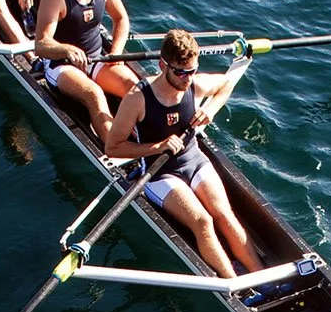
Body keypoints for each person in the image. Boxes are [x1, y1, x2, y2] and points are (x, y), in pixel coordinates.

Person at [105, 29, 264, 279]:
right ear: (162, 65)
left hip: (195, 160)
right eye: (180, 72)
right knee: (203, 222)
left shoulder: (195, 84)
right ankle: (236, 286)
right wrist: (157, 147)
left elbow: (226, 84)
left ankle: (262, 279)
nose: (187, 78)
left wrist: (210, 109)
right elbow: (113, 147)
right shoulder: (138, 98)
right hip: (161, 174)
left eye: (192, 70)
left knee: (224, 213)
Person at [31, 0, 135, 141]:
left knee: (134, 87)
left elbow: (121, 19)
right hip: (62, 65)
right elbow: (41, 45)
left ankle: (148, 138)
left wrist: (116, 54)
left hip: (96, 58)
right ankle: (116, 147)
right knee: (94, 94)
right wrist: (67, 49)